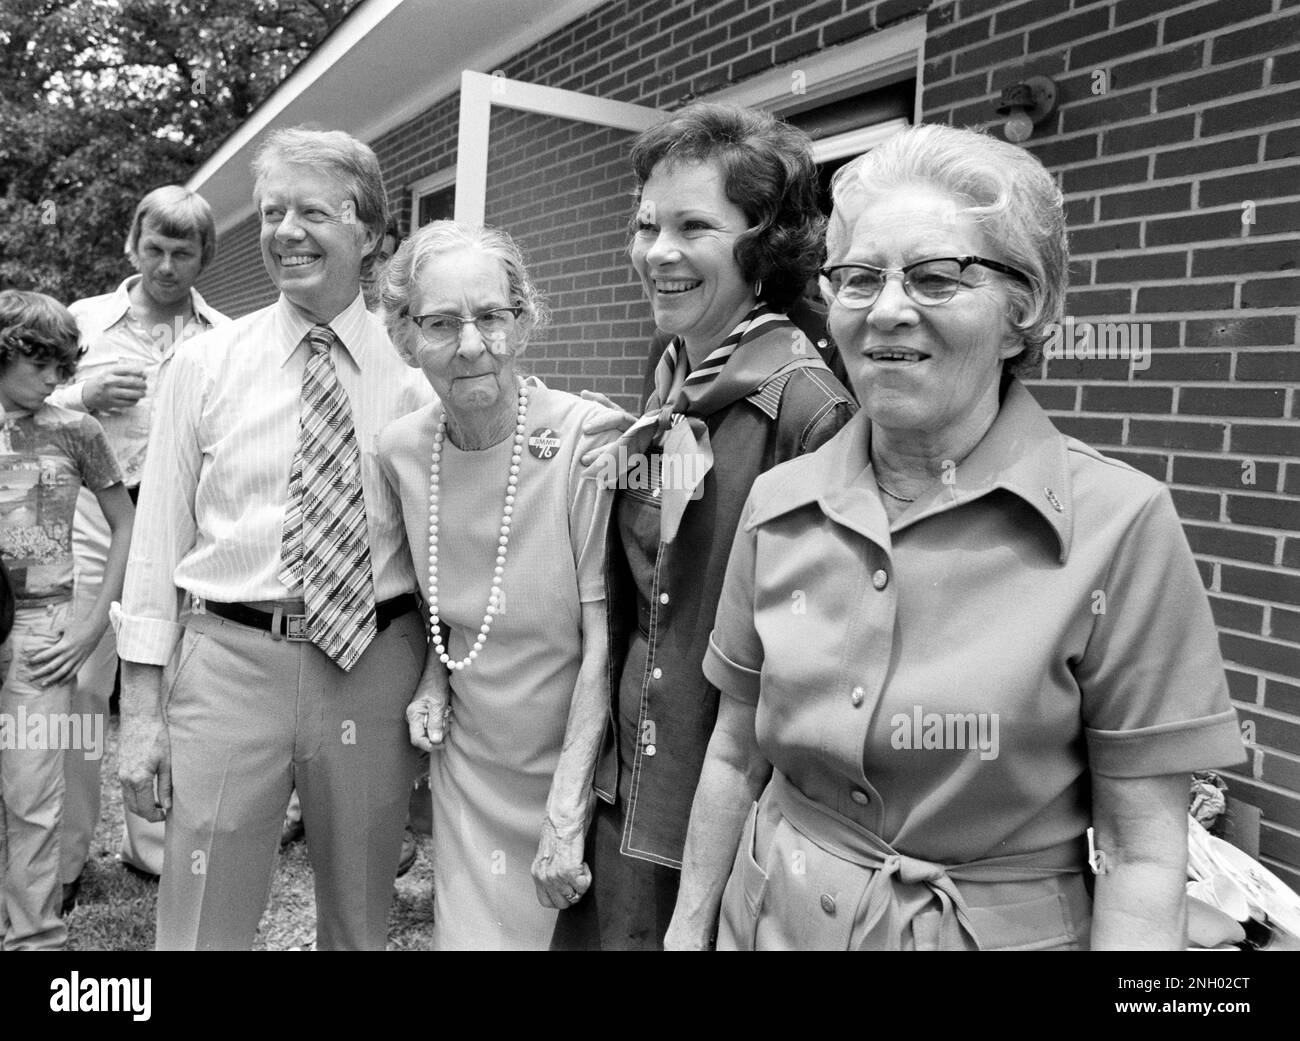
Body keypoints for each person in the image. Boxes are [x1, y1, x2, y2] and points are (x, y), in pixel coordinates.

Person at [665, 124, 1248, 951]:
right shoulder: (779, 501)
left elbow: (1142, 850)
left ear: (1025, 312)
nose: (889, 308)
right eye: (860, 278)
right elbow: (732, 754)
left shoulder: (1121, 526)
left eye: (938, 276)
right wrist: (688, 933)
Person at [115, 127, 431, 951]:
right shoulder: (202, 365)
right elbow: (153, 548)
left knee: (361, 914)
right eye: (271, 212)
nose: (285, 230)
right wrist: (141, 712)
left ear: (369, 234)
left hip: (372, 660)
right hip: (226, 659)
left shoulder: (421, 376)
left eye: (313, 212)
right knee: (199, 915)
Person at [551, 103, 855, 950]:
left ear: (763, 247)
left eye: (694, 226)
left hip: (717, 813)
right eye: (647, 224)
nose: (658, 252)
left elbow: (809, 668)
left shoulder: (806, 411)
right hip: (628, 787)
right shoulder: (670, 378)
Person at [377, 220, 616, 950]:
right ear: (404, 337)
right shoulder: (402, 451)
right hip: (471, 771)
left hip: (572, 771)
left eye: (491, 317)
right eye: (442, 323)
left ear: (524, 319)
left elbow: (611, 639)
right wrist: (433, 680)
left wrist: (566, 812)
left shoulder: (588, 439)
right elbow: (438, 598)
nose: (472, 344)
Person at [52, 186, 228, 906]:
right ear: (133, 243)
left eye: (181, 251)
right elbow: (17, 401)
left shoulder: (225, 336)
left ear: (203, 257)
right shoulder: (82, 323)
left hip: (185, 533)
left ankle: (153, 848)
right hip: (96, 525)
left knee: (177, 692)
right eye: (153, 246)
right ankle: (62, 861)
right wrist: (79, 398)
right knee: (82, 692)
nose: (164, 263)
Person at [0, 290, 134, 949]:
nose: (57, 380)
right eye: (44, 364)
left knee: (32, 795)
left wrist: (88, 625)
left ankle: (35, 939)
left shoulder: (75, 430)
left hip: (41, 632)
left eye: (64, 367)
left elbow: (125, 523)